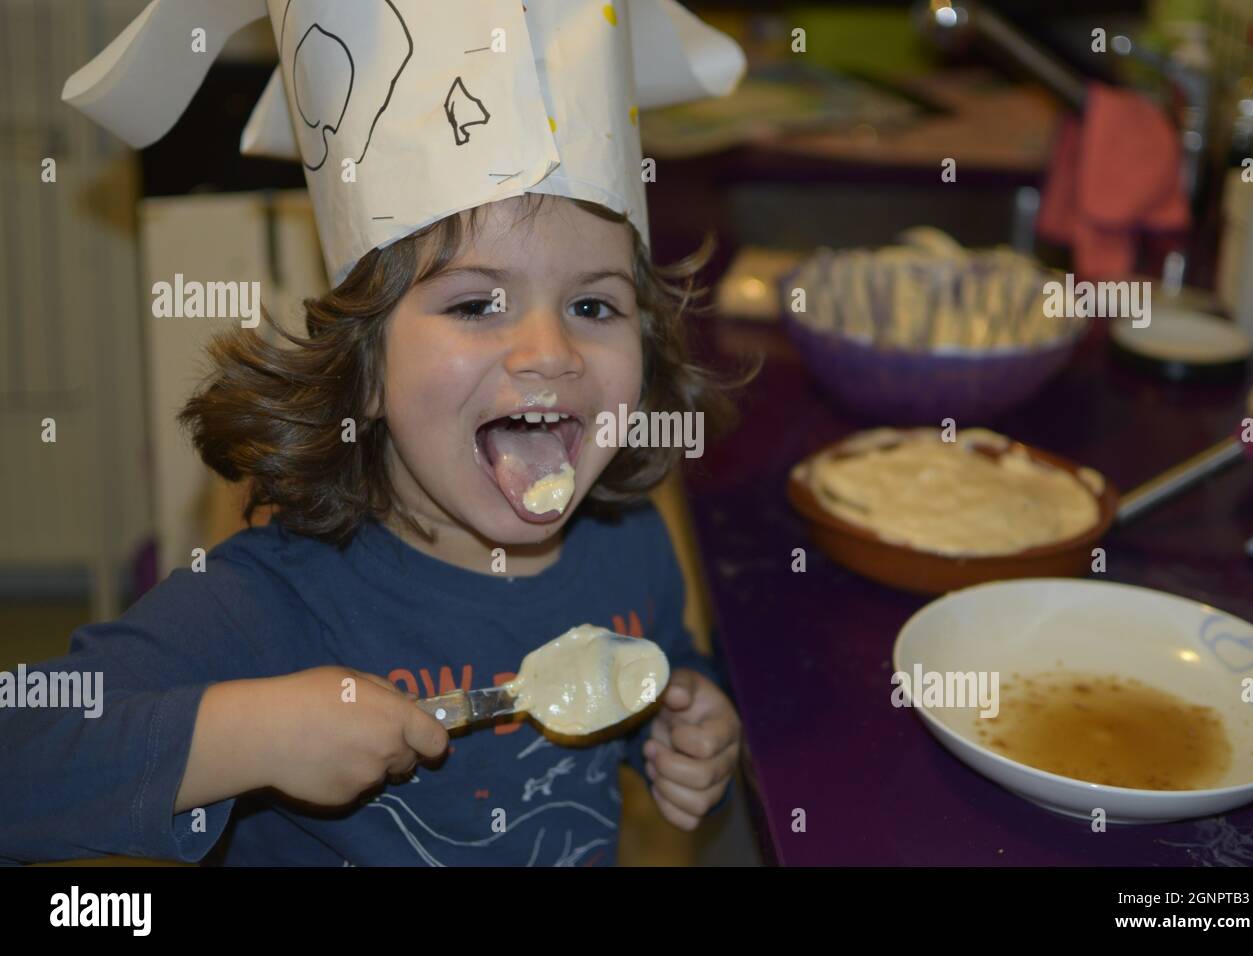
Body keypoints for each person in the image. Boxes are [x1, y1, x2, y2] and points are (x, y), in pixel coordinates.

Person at [0, 191, 745, 866]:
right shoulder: (270, 602)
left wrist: (681, 721)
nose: (551, 352)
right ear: (368, 367)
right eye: (477, 304)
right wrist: (252, 733)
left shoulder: (628, 542)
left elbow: (665, 656)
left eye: (593, 307)